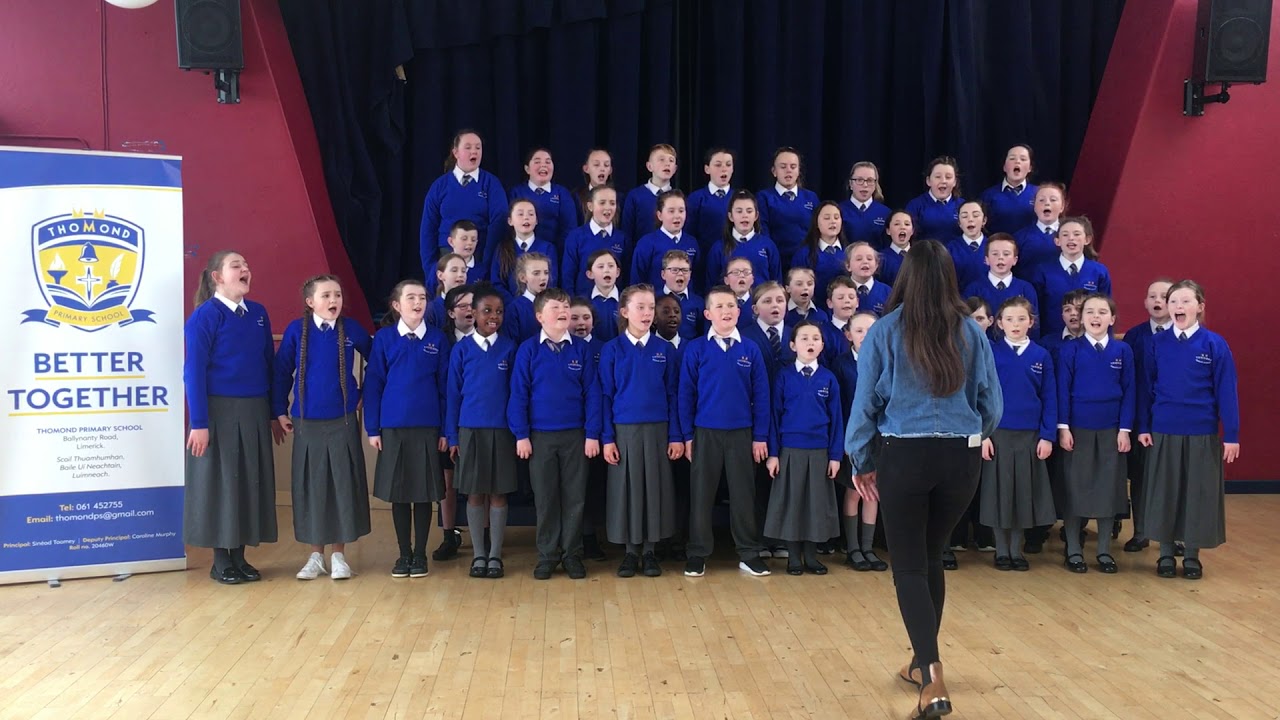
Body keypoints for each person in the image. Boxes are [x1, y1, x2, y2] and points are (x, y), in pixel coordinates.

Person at [844, 239, 1002, 720]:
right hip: (962, 459)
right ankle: (919, 661)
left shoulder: (886, 330)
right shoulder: (973, 334)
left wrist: (860, 458)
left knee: (909, 565)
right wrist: (968, 435)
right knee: (932, 556)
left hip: (904, 456)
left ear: (906, 276)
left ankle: (933, 678)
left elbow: (865, 404)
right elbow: (991, 406)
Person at [184, 251, 283, 584]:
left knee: (249, 482)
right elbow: (193, 372)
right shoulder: (204, 317)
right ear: (217, 277)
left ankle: (240, 557)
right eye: (236, 265)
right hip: (219, 412)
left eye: (246, 264)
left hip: (254, 410)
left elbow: (269, 364)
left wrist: (272, 413)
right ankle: (221, 560)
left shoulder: (258, 313)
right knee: (223, 484)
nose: (246, 269)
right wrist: (199, 423)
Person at [273, 275, 373, 581]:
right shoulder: (296, 331)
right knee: (312, 487)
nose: (334, 301)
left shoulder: (351, 329)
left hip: (342, 420)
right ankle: (315, 555)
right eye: (326, 295)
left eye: (338, 295)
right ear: (310, 302)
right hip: (307, 422)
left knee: (342, 485)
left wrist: (363, 395)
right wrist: (279, 410)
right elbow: (280, 373)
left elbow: (379, 363)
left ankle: (340, 555)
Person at [1137, 280, 1240, 581]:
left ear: (1200, 306)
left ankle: (1192, 555)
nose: (1178, 307)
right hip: (1163, 431)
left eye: (1185, 302)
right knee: (1165, 492)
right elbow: (1145, 389)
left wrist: (1231, 435)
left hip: (1201, 432)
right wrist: (1144, 426)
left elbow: (1226, 392)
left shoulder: (1214, 345)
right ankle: (1166, 554)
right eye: (1174, 302)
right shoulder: (1156, 344)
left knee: (1197, 493)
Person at [679, 285, 772, 577]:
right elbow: (685, 394)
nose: (726, 311)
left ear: (739, 310)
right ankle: (697, 553)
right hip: (704, 433)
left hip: (741, 433)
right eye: (719, 307)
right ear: (707, 314)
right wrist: (687, 436)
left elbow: (762, 394)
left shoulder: (750, 348)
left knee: (744, 494)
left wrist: (760, 436)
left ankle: (748, 552)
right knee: (701, 495)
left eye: (731, 306)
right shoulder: (696, 348)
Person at [509, 288, 602, 580]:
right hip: (539, 438)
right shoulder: (528, 350)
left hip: (575, 436)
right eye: (555, 307)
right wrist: (521, 434)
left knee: (575, 497)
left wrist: (592, 433)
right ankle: (548, 555)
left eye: (565, 306)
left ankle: (572, 555)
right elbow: (518, 395)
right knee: (546, 498)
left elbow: (593, 393)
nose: (563, 311)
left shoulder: (581, 349)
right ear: (539, 316)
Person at [364, 280, 450, 578]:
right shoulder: (385, 338)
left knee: (424, 493)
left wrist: (445, 431)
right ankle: (403, 555)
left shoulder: (438, 339)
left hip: (428, 428)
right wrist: (373, 428)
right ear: (397, 305)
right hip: (393, 428)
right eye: (410, 297)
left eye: (422, 297)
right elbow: (373, 384)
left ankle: (420, 554)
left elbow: (445, 389)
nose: (418, 302)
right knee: (400, 494)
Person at [599, 284, 683, 577]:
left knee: (654, 489)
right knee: (628, 490)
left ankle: (650, 551)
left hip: (658, 430)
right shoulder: (611, 350)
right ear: (624, 312)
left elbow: (674, 394)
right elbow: (605, 396)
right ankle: (630, 552)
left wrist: (675, 435)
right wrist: (607, 438)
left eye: (650, 308)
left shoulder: (665, 350)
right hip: (624, 430)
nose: (647, 313)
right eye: (640, 307)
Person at [1056, 293, 1135, 574]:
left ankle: (1103, 550)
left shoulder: (1122, 351)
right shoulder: (1071, 350)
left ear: (1112, 319)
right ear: (1082, 317)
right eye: (1090, 311)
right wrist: (1063, 428)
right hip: (1078, 429)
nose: (1095, 317)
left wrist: (1125, 429)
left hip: (1111, 430)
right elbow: (1062, 391)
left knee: (1108, 488)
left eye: (1102, 312)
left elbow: (1129, 392)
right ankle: (1074, 550)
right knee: (1076, 487)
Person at [978, 297, 1058, 572]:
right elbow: (980, 395)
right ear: (998, 323)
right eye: (1009, 319)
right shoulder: (990, 352)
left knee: (1024, 493)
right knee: (999, 492)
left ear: (1031, 322)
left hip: (1030, 436)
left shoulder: (1041, 355)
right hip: (998, 433)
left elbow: (1050, 397)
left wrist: (1047, 435)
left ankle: (1017, 549)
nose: (1015, 324)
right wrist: (983, 434)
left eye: (1021, 319)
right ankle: (1001, 550)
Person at [446, 286, 519, 579]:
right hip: (470, 431)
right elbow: (453, 395)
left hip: (501, 432)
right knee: (475, 494)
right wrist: (453, 436)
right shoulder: (461, 350)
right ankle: (478, 554)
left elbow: (517, 394)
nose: (493, 316)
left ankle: (495, 555)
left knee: (499, 493)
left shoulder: (510, 348)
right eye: (487, 311)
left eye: (499, 311)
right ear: (472, 314)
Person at [765, 321, 844, 575]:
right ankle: (793, 558)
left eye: (815, 338)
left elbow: (837, 420)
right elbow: (774, 417)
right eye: (804, 338)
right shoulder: (784, 376)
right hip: (790, 450)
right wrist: (774, 454)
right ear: (792, 345)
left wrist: (835, 456)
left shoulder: (828, 378)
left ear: (822, 345)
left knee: (815, 505)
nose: (810, 343)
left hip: (819, 451)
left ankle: (811, 556)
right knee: (792, 503)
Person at [1118, 278, 1174, 552]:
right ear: (1145, 302)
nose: (1157, 300)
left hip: (1173, 420)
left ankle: (1172, 534)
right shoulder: (1135, 336)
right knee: (1141, 477)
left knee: (1171, 479)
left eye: (1164, 296)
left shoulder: (1183, 334)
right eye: (1152, 296)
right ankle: (1141, 531)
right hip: (1142, 418)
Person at [419, 129, 508, 274]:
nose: (474, 151)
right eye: (468, 147)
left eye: (478, 148)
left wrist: (487, 261)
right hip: (446, 256)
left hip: (480, 255)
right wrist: (430, 268)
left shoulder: (491, 183)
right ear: (456, 153)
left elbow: (499, 220)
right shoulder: (440, 186)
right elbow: (428, 228)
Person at [508, 147, 580, 255]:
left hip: (553, 254)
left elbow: (569, 229)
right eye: (537, 162)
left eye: (548, 162)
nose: (543, 165)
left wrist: (554, 253)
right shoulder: (516, 192)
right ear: (527, 169)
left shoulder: (562, 193)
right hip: (521, 253)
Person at [756, 147, 820, 266]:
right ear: (774, 171)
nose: (788, 171)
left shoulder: (811, 197)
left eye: (793, 166)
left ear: (799, 170)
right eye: (783, 167)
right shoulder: (764, 197)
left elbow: (818, 230)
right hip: (776, 260)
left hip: (807, 261)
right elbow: (762, 230)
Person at [703, 190, 781, 287]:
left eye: (749, 211)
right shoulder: (718, 248)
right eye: (739, 211)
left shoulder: (768, 246)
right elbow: (711, 287)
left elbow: (777, 284)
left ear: (756, 215)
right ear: (731, 216)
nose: (745, 215)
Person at [561, 185, 625, 297]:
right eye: (602, 202)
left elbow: (625, 276)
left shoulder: (622, 238)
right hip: (582, 305)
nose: (608, 207)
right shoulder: (576, 237)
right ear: (590, 206)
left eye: (612, 203)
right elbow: (568, 276)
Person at [791, 201, 848, 307]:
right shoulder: (804, 254)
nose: (833, 222)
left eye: (836, 217)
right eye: (827, 218)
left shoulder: (849, 253)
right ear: (816, 223)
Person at [620, 144, 677, 245]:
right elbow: (627, 231)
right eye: (661, 159)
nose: (667, 164)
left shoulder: (678, 198)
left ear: (675, 169)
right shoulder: (635, 196)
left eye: (671, 160)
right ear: (649, 166)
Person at [978, 145, 1038, 234]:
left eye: (1023, 159)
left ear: (1030, 168)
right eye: (1012, 158)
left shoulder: (1039, 194)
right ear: (1004, 167)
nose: (1017, 162)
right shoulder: (989, 195)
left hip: (1030, 246)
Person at [686, 147, 737, 252]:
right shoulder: (696, 198)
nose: (724, 169)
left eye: (728, 165)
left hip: (735, 259)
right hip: (704, 258)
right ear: (707, 169)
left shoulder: (740, 198)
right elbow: (688, 233)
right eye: (718, 165)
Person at [904, 156, 964, 241]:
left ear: (955, 182)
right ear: (928, 181)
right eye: (938, 177)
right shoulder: (915, 205)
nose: (943, 181)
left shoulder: (963, 206)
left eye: (948, 177)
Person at [839, 161, 892, 248]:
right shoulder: (839, 211)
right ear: (850, 184)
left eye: (870, 180)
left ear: (875, 184)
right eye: (859, 180)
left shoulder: (886, 213)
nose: (865, 185)